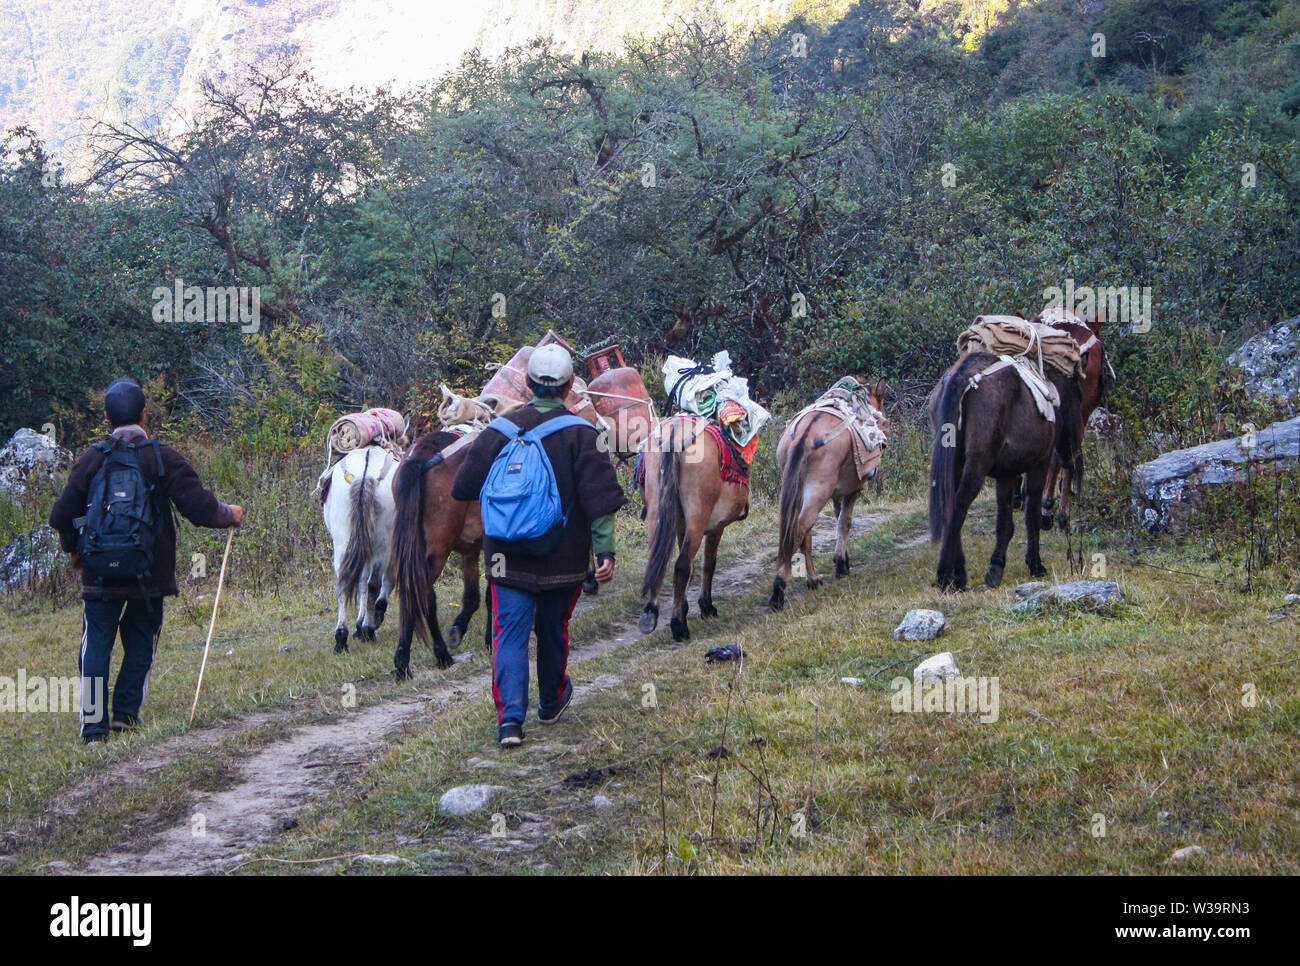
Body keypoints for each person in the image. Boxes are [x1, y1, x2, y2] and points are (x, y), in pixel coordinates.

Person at [48, 378, 244, 744]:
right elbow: (198, 507)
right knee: (141, 638)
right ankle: (125, 715)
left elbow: (60, 516)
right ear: (144, 414)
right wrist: (228, 513)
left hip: (99, 572)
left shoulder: (91, 459)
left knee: (97, 642)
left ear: (106, 416)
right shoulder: (160, 456)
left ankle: (93, 729)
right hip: (148, 570)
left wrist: (76, 549)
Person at [452, 345, 626, 747]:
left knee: (508, 634)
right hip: (563, 559)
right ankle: (550, 703)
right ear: (569, 388)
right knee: (553, 630)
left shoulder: (498, 430)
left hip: (504, 557)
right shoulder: (586, 435)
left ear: (528, 385)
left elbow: (463, 486)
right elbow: (600, 504)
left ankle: (510, 722)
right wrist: (605, 553)